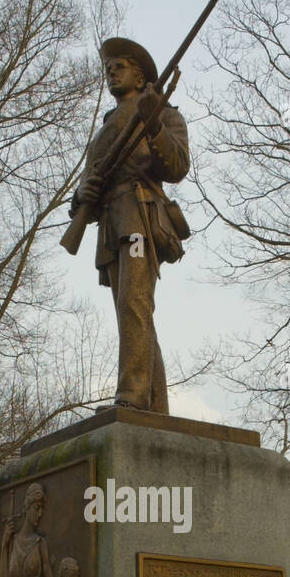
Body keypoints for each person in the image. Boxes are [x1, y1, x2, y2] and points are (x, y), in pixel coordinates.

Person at [71, 37, 189, 414]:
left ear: (139, 76)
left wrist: (153, 123)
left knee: (134, 302)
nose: (110, 73)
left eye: (118, 67)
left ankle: (133, 399)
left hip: (139, 221)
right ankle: (153, 405)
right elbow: (90, 180)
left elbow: (177, 167)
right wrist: (80, 193)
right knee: (131, 310)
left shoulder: (162, 113)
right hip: (111, 223)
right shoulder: (108, 126)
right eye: (108, 68)